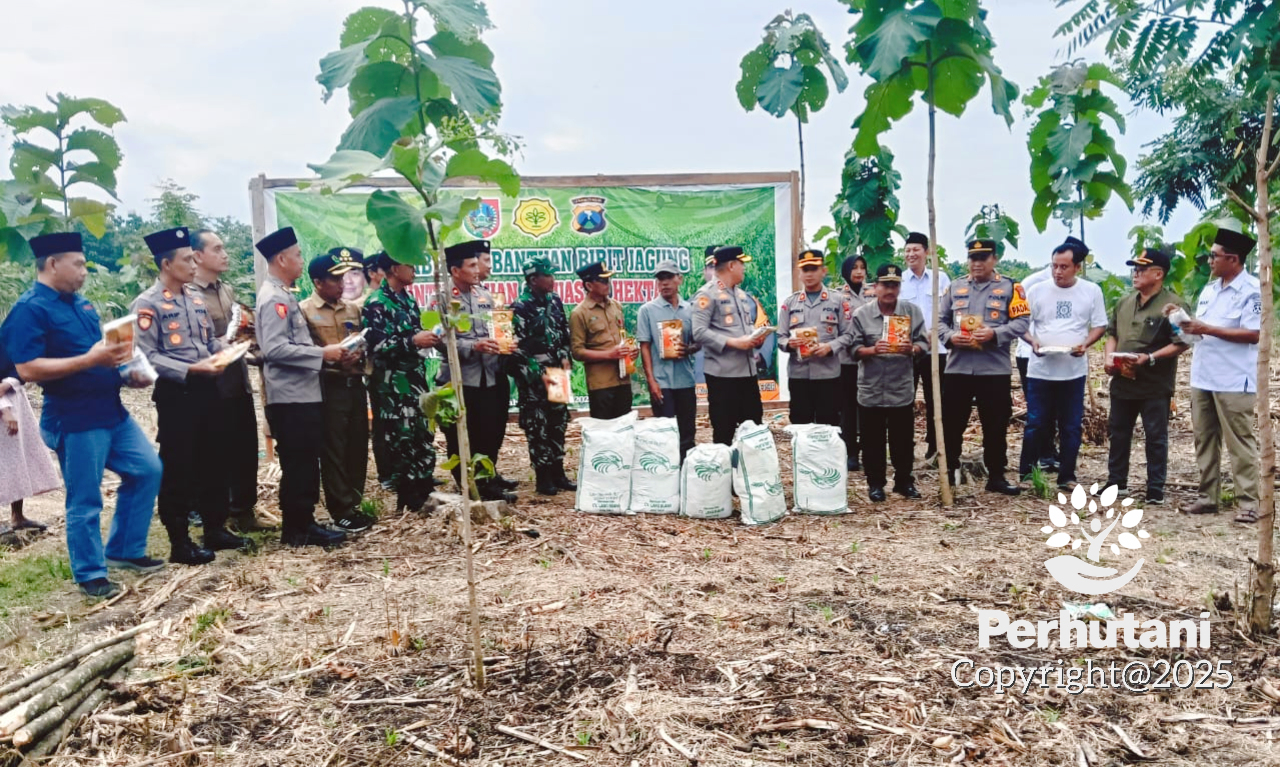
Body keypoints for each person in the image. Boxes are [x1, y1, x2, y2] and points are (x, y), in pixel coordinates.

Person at [1, 232, 164, 598]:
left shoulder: (83, 305)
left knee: (147, 470)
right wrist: (89, 361)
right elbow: (27, 368)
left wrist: (127, 372)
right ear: (53, 264)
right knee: (86, 498)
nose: (84, 272)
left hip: (111, 410)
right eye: (78, 264)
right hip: (75, 417)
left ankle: (124, 549)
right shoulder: (30, 310)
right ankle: (91, 574)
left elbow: (105, 353)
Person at [133, 226, 248, 564]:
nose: (193, 265)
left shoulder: (195, 298)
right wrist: (190, 370)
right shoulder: (147, 303)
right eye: (186, 260)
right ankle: (179, 540)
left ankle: (215, 528)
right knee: (180, 466)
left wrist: (225, 349)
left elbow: (207, 342)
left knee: (215, 461)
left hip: (210, 390)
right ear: (167, 264)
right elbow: (146, 356)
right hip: (177, 394)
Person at [254, 227, 350, 547]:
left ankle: (303, 522)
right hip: (291, 397)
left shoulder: (283, 294)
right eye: (296, 255)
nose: (301, 261)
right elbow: (274, 349)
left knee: (307, 462)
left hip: (303, 393)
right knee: (298, 463)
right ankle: (296, 529)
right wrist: (321, 354)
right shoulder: (274, 299)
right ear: (281, 259)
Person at [1177, 228, 1262, 522]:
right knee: (1204, 440)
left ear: (1233, 259)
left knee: (1240, 441)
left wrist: (1207, 328)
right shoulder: (1210, 290)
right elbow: (1202, 330)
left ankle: (1249, 503)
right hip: (1203, 376)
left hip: (1234, 379)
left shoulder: (1251, 291)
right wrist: (1184, 324)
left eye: (1214, 255)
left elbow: (1253, 334)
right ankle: (1207, 496)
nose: (1209, 260)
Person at [938, 239, 1030, 495]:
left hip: (994, 369)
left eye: (983, 258)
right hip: (958, 368)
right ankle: (949, 472)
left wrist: (995, 333)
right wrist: (949, 337)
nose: (977, 263)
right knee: (952, 423)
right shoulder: (955, 288)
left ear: (995, 259)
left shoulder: (1011, 287)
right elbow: (940, 320)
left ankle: (997, 476)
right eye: (972, 258)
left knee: (995, 424)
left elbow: (1022, 322)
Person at [1017, 237, 1107, 490]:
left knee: (1070, 425)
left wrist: (1085, 344)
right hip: (1041, 369)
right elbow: (1022, 325)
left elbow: (1100, 325)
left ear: (1078, 267)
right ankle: (1026, 473)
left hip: (1072, 370)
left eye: (1064, 267)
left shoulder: (1091, 291)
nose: (1058, 272)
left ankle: (1067, 475)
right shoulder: (1037, 291)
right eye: (1054, 266)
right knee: (1036, 422)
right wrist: (1032, 341)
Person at [191, 229, 264, 531]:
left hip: (237, 380)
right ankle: (211, 513)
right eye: (217, 249)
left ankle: (244, 511)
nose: (225, 254)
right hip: (210, 386)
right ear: (197, 256)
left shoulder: (227, 290)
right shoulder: (189, 295)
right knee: (213, 453)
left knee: (245, 448)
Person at [435, 240, 517, 503]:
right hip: (462, 381)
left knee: (490, 432)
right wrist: (474, 345)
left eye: (476, 264)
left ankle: (487, 482)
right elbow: (439, 341)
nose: (476, 269)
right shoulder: (443, 300)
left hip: (491, 378)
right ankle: (467, 485)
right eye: (470, 265)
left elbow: (499, 330)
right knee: (462, 435)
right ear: (455, 271)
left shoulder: (485, 296)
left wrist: (507, 343)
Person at [1103, 248, 1188, 504]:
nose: (1136, 274)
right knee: (1118, 432)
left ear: (1159, 274)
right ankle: (1116, 483)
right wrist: (1109, 357)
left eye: (1142, 269)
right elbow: (1113, 334)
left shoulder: (1173, 305)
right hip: (1123, 380)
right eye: (1135, 269)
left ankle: (1155, 488)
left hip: (1154, 383)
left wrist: (1150, 358)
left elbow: (1182, 342)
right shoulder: (1125, 302)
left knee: (1155, 436)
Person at [301, 250, 374, 533]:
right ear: (318, 282)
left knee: (357, 446)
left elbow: (363, 343)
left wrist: (358, 356)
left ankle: (354, 502)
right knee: (334, 449)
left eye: (343, 278)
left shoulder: (352, 309)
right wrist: (330, 359)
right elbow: (306, 353)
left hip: (355, 385)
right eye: (334, 279)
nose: (341, 284)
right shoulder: (304, 310)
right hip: (328, 388)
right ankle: (340, 509)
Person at [364, 251, 440, 513]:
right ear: (394, 269)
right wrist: (412, 341)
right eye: (409, 263)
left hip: (414, 379)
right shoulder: (377, 302)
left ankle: (424, 487)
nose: (414, 269)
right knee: (402, 438)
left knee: (422, 434)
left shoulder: (407, 299)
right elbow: (375, 346)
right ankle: (408, 497)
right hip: (393, 384)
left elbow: (411, 336)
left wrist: (425, 338)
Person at [851, 264, 928, 501]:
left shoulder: (912, 312)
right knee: (872, 441)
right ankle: (875, 484)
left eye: (894, 285)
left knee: (903, 440)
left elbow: (924, 344)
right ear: (875, 287)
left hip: (900, 388)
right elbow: (853, 350)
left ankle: (904, 482)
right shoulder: (861, 315)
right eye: (885, 284)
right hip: (871, 388)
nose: (890, 290)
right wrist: (872, 350)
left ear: (899, 287)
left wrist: (912, 348)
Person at [510, 256, 576, 495]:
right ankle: (543, 476)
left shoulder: (555, 301)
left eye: (552, 274)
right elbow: (515, 349)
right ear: (533, 279)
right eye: (547, 275)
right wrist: (536, 373)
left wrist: (565, 355)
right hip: (533, 377)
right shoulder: (520, 306)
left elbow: (564, 334)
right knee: (538, 426)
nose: (552, 280)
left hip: (557, 373)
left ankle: (559, 473)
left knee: (558, 422)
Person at [692, 246, 767, 445]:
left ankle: (750, 473)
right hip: (722, 377)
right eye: (742, 263)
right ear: (732, 265)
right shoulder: (707, 294)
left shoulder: (742, 296)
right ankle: (725, 475)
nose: (744, 268)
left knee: (753, 430)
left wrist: (756, 338)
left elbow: (747, 327)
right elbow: (698, 331)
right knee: (724, 432)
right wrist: (733, 343)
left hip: (747, 375)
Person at [776, 249, 852, 426]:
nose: (809, 274)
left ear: (823, 271)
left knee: (829, 424)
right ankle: (803, 455)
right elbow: (780, 337)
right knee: (801, 423)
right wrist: (789, 344)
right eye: (805, 269)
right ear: (799, 272)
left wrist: (830, 347)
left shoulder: (838, 300)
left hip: (828, 374)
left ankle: (829, 455)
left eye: (813, 269)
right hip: (799, 375)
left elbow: (849, 334)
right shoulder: (790, 303)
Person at [637, 259, 700, 459]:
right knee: (664, 432)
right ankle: (667, 475)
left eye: (669, 277)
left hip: (685, 379)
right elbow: (644, 346)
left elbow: (699, 341)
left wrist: (688, 349)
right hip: (661, 381)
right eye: (660, 279)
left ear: (679, 279)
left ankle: (687, 474)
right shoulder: (647, 310)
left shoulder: (690, 309)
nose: (664, 283)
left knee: (687, 431)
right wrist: (651, 381)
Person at [898, 232, 950, 461]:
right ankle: (904, 445)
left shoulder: (941, 278)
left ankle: (934, 446)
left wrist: (936, 333)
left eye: (915, 250)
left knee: (936, 399)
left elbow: (948, 312)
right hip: (907, 350)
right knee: (904, 399)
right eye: (907, 250)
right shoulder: (899, 281)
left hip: (936, 350)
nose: (911, 254)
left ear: (927, 252)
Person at [569, 261, 636, 419]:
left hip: (623, 379)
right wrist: (609, 355)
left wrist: (631, 351)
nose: (608, 284)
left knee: (624, 428)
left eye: (608, 280)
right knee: (604, 432)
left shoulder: (616, 307)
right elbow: (577, 352)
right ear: (589, 286)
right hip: (601, 384)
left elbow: (622, 337)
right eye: (603, 281)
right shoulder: (579, 313)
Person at [1013, 263, 1060, 472]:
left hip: (1058, 354)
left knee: (1054, 408)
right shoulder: (1032, 284)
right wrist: (1033, 342)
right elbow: (1018, 320)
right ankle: (1040, 456)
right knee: (1038, 410)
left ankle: (1049, 452)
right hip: (1029, 354)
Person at [0, 370, 57, 533]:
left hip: (14, 395)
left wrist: (10, 383)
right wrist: (5, 409)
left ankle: (17, 516)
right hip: (5, 404)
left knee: (17, 455)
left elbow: (21, 364)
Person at [836, 255, 871, 470]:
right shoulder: (838, 296)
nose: (859, 272)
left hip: (870, 359)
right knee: (848, 409)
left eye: (862, 268)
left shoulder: (873, 293)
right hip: (846, 361)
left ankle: (869, 449)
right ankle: (850, 452)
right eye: (854, 268)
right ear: (846, 271)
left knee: (868, 408)